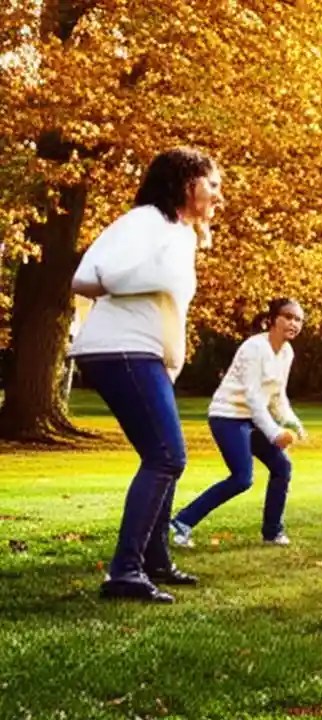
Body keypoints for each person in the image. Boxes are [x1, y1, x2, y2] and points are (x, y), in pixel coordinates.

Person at [69, 146, 223, 603]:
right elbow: (86, 277)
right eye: (211, 183)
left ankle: (154, 559)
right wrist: (155, 272)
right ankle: (125, 571)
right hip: (121, 348)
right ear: (185, 183)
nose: (218, 194)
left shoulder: (176, 232)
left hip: (143, 353)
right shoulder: (145, 221)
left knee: (164, 458)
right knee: (166, 456)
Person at [170, 299, 307, 548]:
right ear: (272, 319)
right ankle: (182, 522)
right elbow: (253, 397)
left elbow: (277, 396)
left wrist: (292, 422)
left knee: (282, 467)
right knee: (242, 478)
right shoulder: (254, 348)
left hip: (251, 419)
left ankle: (272, 532)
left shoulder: (287, 352)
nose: (293, 323)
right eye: (288, 317)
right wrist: (274, 432)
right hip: (228, 416)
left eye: (298, 319)